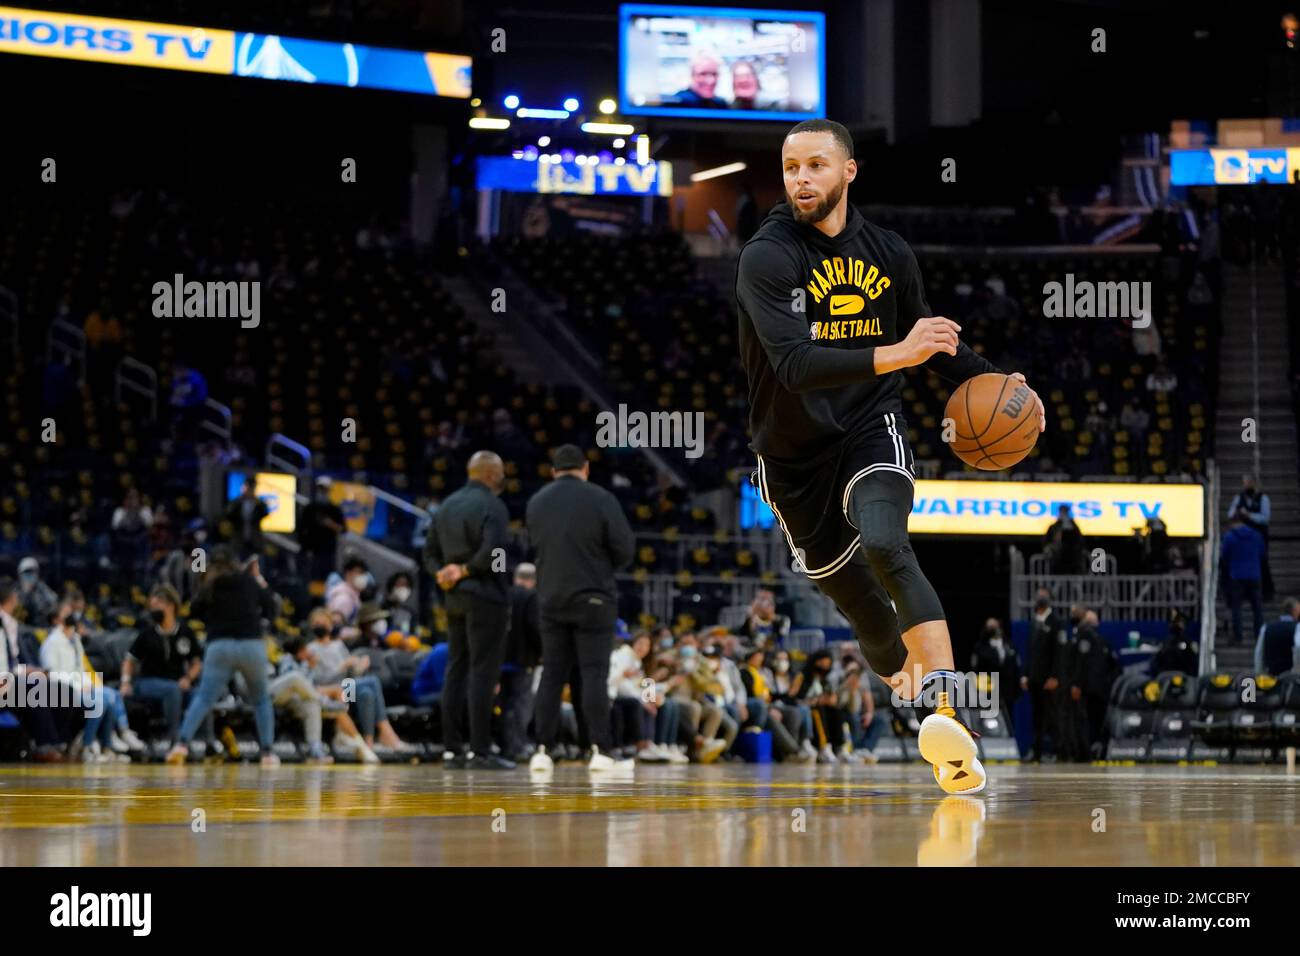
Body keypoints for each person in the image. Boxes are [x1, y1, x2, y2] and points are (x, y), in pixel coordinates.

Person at [735, 118, 1044, 794]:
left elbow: (932, 342)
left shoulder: (890, 253)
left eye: (816, 165)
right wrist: (898, 351)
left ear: (849, 171)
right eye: (790, 168)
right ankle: (912, 690)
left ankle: (948, 710)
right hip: (791, 459)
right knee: (865, 613)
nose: (801, 179)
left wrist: (996, 376)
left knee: (886, 541)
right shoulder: (768, 256)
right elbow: (792, 364)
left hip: (869, 428)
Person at [526, 444, 637, 774]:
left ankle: (541, 751)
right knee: (593, 675)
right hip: (593, 598)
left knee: (552, 675)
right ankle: (600, 751)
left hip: (550, 598)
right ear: (585, 469)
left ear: (553, 471)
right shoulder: (602, 498)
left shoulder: (536, 502)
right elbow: (625, 550)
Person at [423, 450, 514, 770]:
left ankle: (452, 749)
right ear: (490, 474)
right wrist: (465, 570)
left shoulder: (445, 506)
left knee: (456, 669)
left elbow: (429, 551)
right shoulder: (494, 505)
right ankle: (480, 750)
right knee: (483, 672)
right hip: (487, 595)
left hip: (453, 598)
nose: (503, 477)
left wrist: (442, 572)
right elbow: (496, 552)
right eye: (500, 471)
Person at [165, 548, 281, 766]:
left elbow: (194, 611)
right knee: (261, 700)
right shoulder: (248, 580)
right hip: (251, 645)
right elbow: (271, 607)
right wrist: (258, 578)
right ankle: (267, 752)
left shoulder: (210, 585)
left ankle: (181, 744)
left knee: (204, 698)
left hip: (219, 646)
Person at [40, 601, 144, 762]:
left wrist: (87, 683)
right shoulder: (51, 642)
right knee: (100, 701)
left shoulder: (75, 640)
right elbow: (50, 674)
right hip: (64, 690)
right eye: (66, 613)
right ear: (56, 619)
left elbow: (80, 669)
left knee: (112, 695)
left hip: (80, 686)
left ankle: (110, 743)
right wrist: (77, 686)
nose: (71, 616)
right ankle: (87, 746)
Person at [120, 584, 207, 748]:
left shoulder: (185, 633)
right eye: (151, 607)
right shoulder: (147, 633)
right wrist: (125, 682)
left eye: (156, 606)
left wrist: (188, 678)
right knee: (172, 690)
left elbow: (197, 663)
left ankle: (208, 742)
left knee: (203, 695)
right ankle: (175, 740)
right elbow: (129, 660)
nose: (153, 611)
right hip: (147, 682)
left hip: (177, 682)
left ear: (170, 606)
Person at [0, 578, 66, 761]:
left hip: (8, 680)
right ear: (12, 598)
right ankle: (44, 745)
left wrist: (27, 669)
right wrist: (23, 672)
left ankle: (58, 742)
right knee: (35, 685)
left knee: (58, 689)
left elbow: (11, 663)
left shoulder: (10, 624)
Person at [500, 563, 542, 762]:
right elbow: (535, 628)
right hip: (523, 661)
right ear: (533, 580)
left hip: (500, 661)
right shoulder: (531, 597)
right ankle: (518, 746)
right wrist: (542, 652)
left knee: (504, 705)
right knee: (521, 705)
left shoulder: (503, 594)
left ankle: (505, 746)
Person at [1025, 593, 1064, 761]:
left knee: (1052, 716)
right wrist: (1026, 675)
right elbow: (1030, 651)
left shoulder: (1056, 621)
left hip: (1049, 678)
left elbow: (1060, 653)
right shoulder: (1035, 620)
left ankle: (1058, 751)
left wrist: (1055, 676)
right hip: (1035, 678)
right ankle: (1037, 752)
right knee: (1037, 717)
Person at [1227, 475, 1273, 601]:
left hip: (1258, 536)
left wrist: (1250, 515)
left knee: (1262, 562)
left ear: (1254, 484)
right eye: (1244, 483)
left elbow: (1265, 518)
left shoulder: (1263, 498)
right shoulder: (1238, 498)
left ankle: (1265, 593)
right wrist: (1238, 512)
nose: (1246, 486)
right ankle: (1245, 593)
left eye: (1248, 483)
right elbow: (1230, 514)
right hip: (1242, 538)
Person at [1221, 516, 1265, 646]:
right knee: (1257, 609)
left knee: (1236, 608)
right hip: (1254, 575)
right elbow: (1262, 553)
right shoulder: (1256, 535)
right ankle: (1259, 636)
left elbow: (1224, 556)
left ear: (1233, 523)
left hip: (1237, 577)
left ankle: (1238, 637)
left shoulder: (1229, 537)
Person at [970, 617, 1022, 719]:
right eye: (990, 627)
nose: (993, 629)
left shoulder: (1009, 645)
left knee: (1008, 719)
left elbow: (1016, 667)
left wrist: (1017, 688)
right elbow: (976, 671)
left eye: (995, 626)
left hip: (1007, 691)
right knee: (991, 721)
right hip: (989, 691)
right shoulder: (980, 648)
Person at [298, 477, 345, 586]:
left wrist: (330, 524)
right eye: (320, 489)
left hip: (328, 552)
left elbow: (343, 529)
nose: (322, 492)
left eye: (325, 489)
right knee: (310, 580)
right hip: (311, 552)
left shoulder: (334, 509)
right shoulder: (309, 508)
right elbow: (301, 529)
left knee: (327, 580)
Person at [1254, 598, 1300, 677]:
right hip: (1291, 676)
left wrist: (1259, 672)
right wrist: (1297, 670)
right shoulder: (1297, 627)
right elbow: (1298, 647)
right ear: (1295, 611)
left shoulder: (1266, 627)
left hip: (1271, 675)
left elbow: (1259, 652)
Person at [225, 479, 269, 560]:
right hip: (239, 540)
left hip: (254, 540)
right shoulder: (237, 503)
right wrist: (239, 500)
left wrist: (257, 501)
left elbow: (265, 513)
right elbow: (228, 515)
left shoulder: (258, 503)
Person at [15, 556, 58, 628]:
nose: (30, 575)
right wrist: (26, 593)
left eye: (33, 572)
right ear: (20, 573)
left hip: (40, 627)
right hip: (21, 628)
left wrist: (46, 610)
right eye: (27, 572)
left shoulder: (41, 587)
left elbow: (54, 601)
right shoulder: (16, 589)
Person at [1044, 505, 1086, 574]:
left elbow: (1080, 541)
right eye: (1062, 512)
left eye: (1065, 512)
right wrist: (1048, 548)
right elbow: (1046, 541)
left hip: (1072, 560)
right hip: (1057, 560)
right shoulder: (1053, 527)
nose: (1063, 514)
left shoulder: (1074, 527)